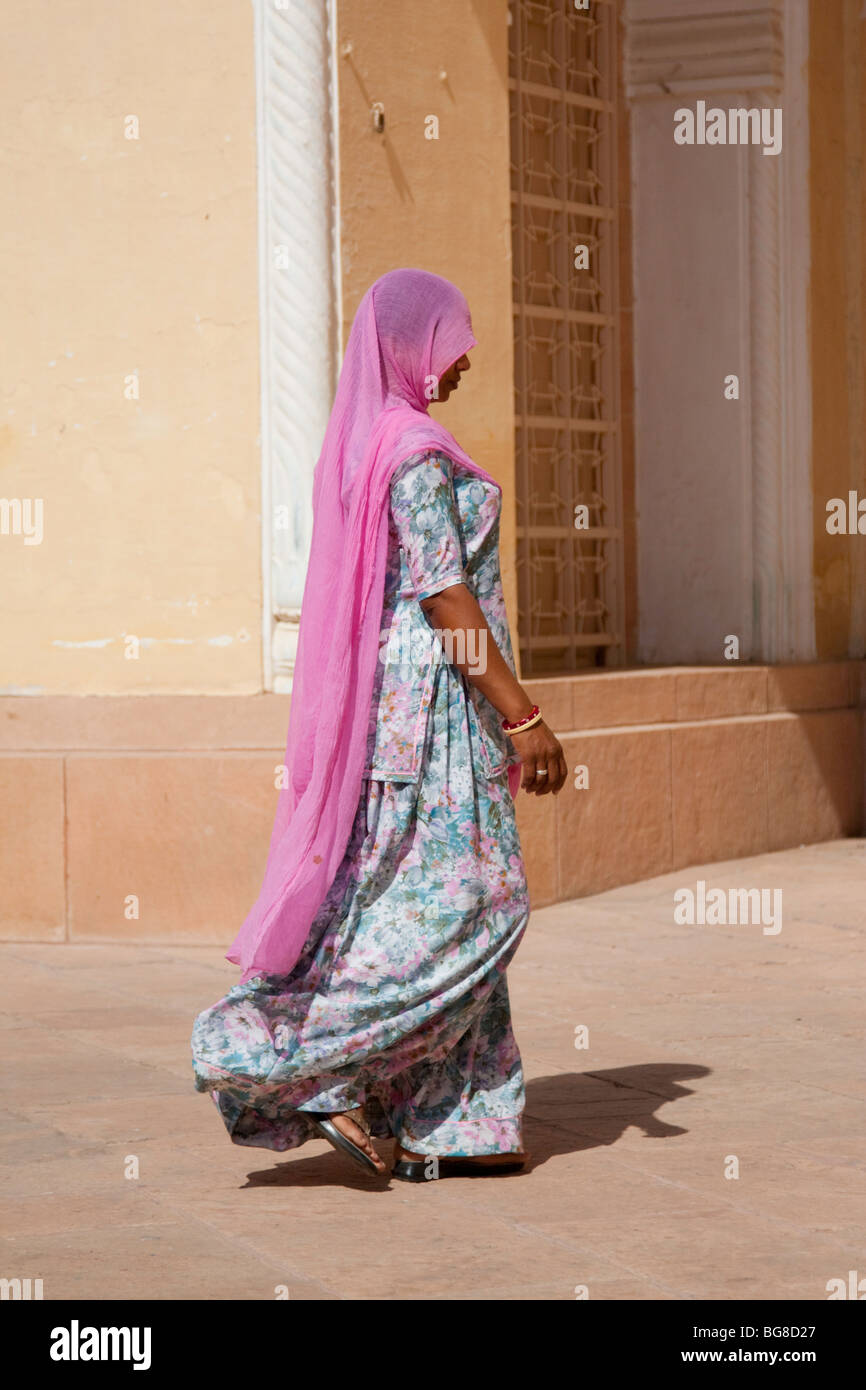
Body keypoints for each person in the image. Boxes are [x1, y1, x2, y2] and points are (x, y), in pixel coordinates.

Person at [191, 268, 567, 1182]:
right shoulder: (414, 454)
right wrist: (525, 718)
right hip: (437, 718)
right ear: (408, 343)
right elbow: (445, 594)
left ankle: (463, 1124)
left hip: (409, 718)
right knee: (478, 906)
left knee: (411, 907)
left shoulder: (378, 444)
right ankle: (305, 1064)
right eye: (453, 337)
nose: (467, 356)